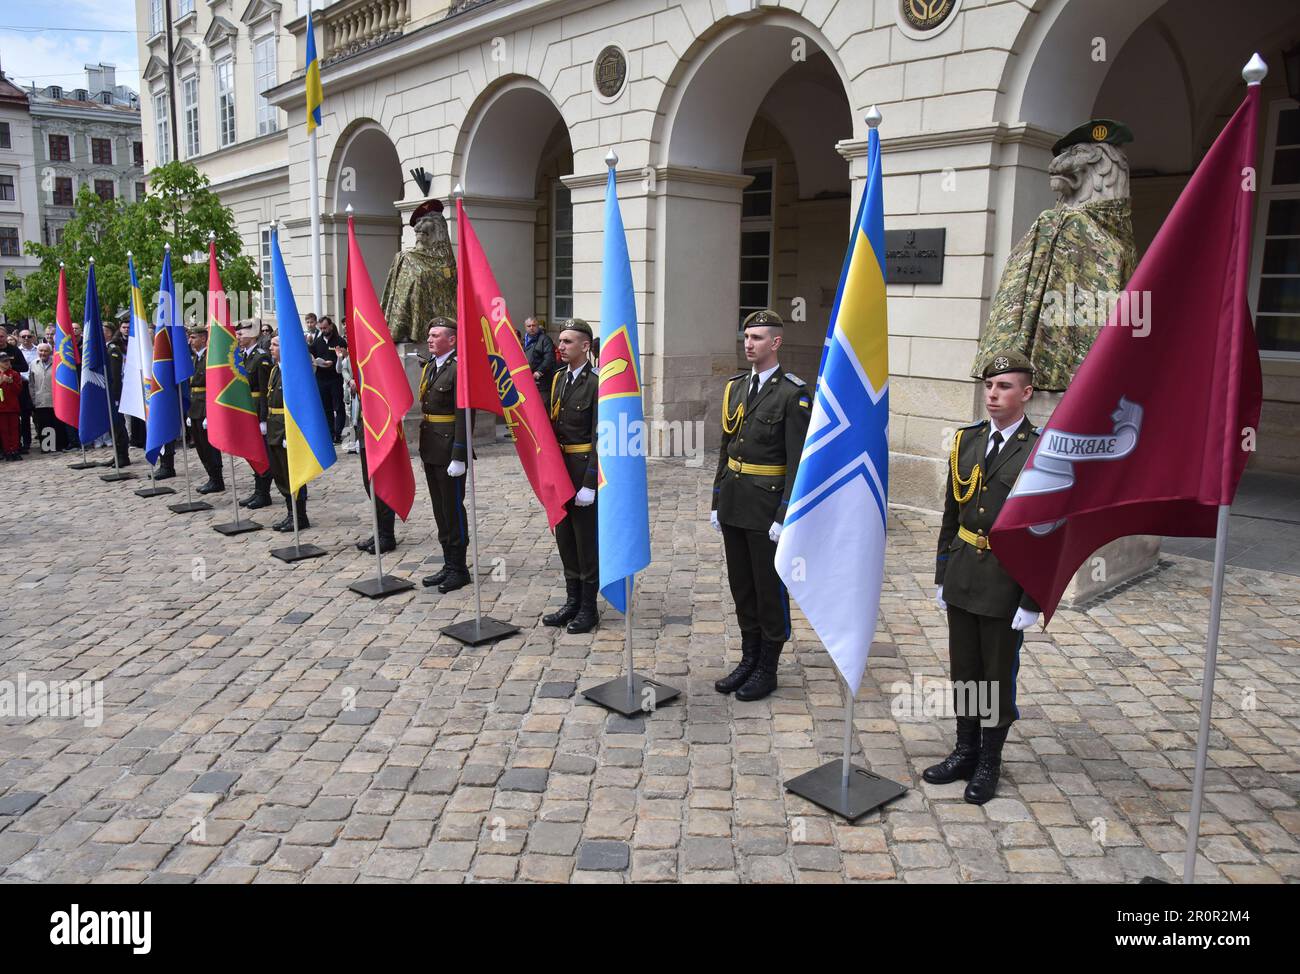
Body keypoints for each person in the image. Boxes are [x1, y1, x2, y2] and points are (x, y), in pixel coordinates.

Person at [926, 350, 1042, 806]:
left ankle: (990, 761)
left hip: (1006, 579)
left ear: (1026, 394)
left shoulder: (1038, 449)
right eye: (989, 386)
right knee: (965, 671)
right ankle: (965, 750)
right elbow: (951, 514)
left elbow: (1045, 528)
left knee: (996, 675)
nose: (993, 395)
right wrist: (942, 573)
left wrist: (1031, 598)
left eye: (1005, 387)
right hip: (963, 571)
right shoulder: (967, 440)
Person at [710, 309, 811, 702]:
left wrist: (785, 514)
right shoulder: (735, 386)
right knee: (742, 586)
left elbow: (798, 459)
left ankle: (768, 666)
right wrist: (717, 499)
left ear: (776, 343)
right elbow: (726, 447)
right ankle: (748, 658)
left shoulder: (793, 393)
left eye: (757, 338)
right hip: (736, 501)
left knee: (769, 590)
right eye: (746, 337)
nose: (748, 344)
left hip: (766, 507)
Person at [543, 318, 599, 634]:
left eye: (567, 342)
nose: (561, 347)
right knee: (565, 538)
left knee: (585, 542)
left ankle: (589, 608)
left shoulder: (597, 383)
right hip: (560, 472)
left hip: (581, 472)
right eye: (560, 341)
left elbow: (600, 437)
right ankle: (572, 601)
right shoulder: (557, 379)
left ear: (585, 346)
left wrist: (590, 483)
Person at [417, 317, 470, 592]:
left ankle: (459, 569)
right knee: (440, 510)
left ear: (451, 340)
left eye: (436, 335)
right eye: (429, 334)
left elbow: (464, 413)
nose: (430, 339)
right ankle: (449, 564)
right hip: (431, 447)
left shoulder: (458, 368)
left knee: (453, 509)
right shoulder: (431, 366)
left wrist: (460, 455)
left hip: (449, 449)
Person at [263, 336, 310, 532]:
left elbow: (300, 404)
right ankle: (290, 513)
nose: (271, 348)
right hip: (274, 426)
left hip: (287, 429)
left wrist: (289, 434)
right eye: (271, 344)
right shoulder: (275, 370)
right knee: (279, 474)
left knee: (293, 475)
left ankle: (300, 516)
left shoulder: (293, 371)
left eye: (275, 345)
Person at [237, 321, 273, 508]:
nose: (238, 337)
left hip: (257, 409)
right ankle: (258, 490)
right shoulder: (242, 356)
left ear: (252, 336)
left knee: (262, 452)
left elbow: (266, 390)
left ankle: (264, 493)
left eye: (241, 334)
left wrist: (263, 419)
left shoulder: (261, 358)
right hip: (246, 410)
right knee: (251, 450)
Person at [188, 326, 223, 493]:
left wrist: (210, 414)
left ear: (203, 338)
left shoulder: (210, 358)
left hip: (205, 408)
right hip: (195, 406)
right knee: (200, 446)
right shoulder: (196, 358)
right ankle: (211, 477)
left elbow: (214, 387)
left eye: (193, 337)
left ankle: (217, 479)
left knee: (209, 447)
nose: (190, 341)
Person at [310, 316, 347, 444]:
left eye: (325, 328)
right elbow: (311, 355)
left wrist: (336, 360)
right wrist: (317, 362)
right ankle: (330, 434)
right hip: (321, 378)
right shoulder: (317, 342)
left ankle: (338, 432)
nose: (323, 330)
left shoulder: (339, 341)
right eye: (321, 328)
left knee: (338, 406)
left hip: (335, 378)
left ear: (331, 326)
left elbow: (345, 359)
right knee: (326, 408)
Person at [104, 322, 130, 465]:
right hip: (107, 393)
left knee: (118, 424)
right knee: (111, 425)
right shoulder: (106, 348)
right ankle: (117, 453)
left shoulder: (113, 349)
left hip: (115, 394)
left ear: (109, 333)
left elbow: (114, 374)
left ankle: (123, 456)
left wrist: (114, 396)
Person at [27, 342, 60, 452]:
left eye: (45, 351)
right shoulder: (33, 364)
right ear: (37, 352)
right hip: (40, 400)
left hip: (54, 399)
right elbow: (31, 384)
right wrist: (33, 399)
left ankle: (56, 446)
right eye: (41, 351)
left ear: (50, 352)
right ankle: (46, 446)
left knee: (54, 424)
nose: (43, 353)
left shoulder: (56, 363)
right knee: (43, 424)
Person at [15, 328, 38, 453]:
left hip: (37, 384)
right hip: (22, 384)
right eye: (23, 337)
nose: (26, 339)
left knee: (37, 413)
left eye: (28, 336)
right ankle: (22, 442)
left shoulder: (39, 349)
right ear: (19, 338)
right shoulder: (17, 351)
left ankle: (37, 439)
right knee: (23, 415)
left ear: (33, 337)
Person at [524, 316, 557, 392]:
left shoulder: (545, 339)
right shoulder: (524, 341)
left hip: (542, 381)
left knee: (542, 402)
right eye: (529, 326)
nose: (531, 328)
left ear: (538, 326)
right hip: (527, 380)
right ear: (525, 327)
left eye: (534, 325)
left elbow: (549, 358)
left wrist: (539, 371)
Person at [0, 352, 23, 460]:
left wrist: (11, 382)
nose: (7, 363)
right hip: (1, 408)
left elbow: (18, 391)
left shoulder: (14, 374)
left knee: (14, 430)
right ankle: (7, 451)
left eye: (8, 361)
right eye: (4, 361)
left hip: (13, 407)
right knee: (4, 431)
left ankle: (15, 450)